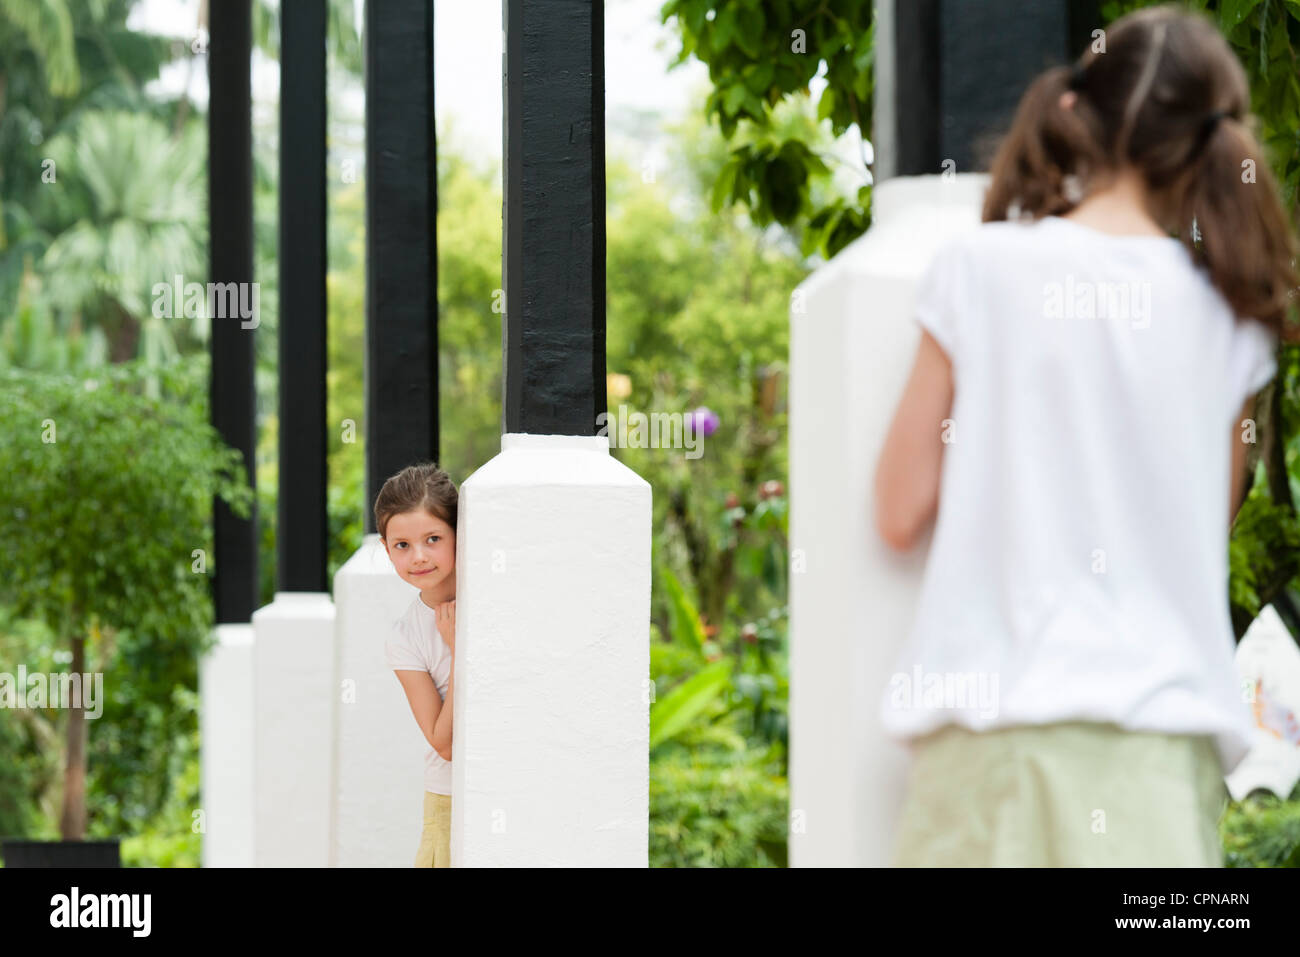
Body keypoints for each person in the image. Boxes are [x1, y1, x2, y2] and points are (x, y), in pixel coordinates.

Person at [873, 4, 1299, 866]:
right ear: (1206, 145)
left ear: (1079, 113)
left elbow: (899, 506)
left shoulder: (979, 270)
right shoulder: (1229, 320)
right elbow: (1200, 522)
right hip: (1158, 766)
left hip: (990, 749)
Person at [376, 461, 459, 867]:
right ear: (386, 549)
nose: (419, 557)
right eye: (402, 545)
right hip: (448, 801)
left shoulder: (494, 597)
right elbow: (443, 744)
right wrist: (461, 654)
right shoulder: (405, 637)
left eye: (433, 538)